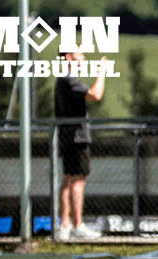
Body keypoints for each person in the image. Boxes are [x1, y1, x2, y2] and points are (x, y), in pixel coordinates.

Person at [54, 45, 106, 240]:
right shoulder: (69, 79)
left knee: (68, 179)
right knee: (78, 179)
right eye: (79, 54)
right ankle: (77, 225)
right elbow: (95, 95)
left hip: (67, 136)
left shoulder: (63, 79)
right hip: (77, 137)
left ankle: (65, 226)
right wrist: (101, 73)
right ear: (68, 57)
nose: (83, 58)